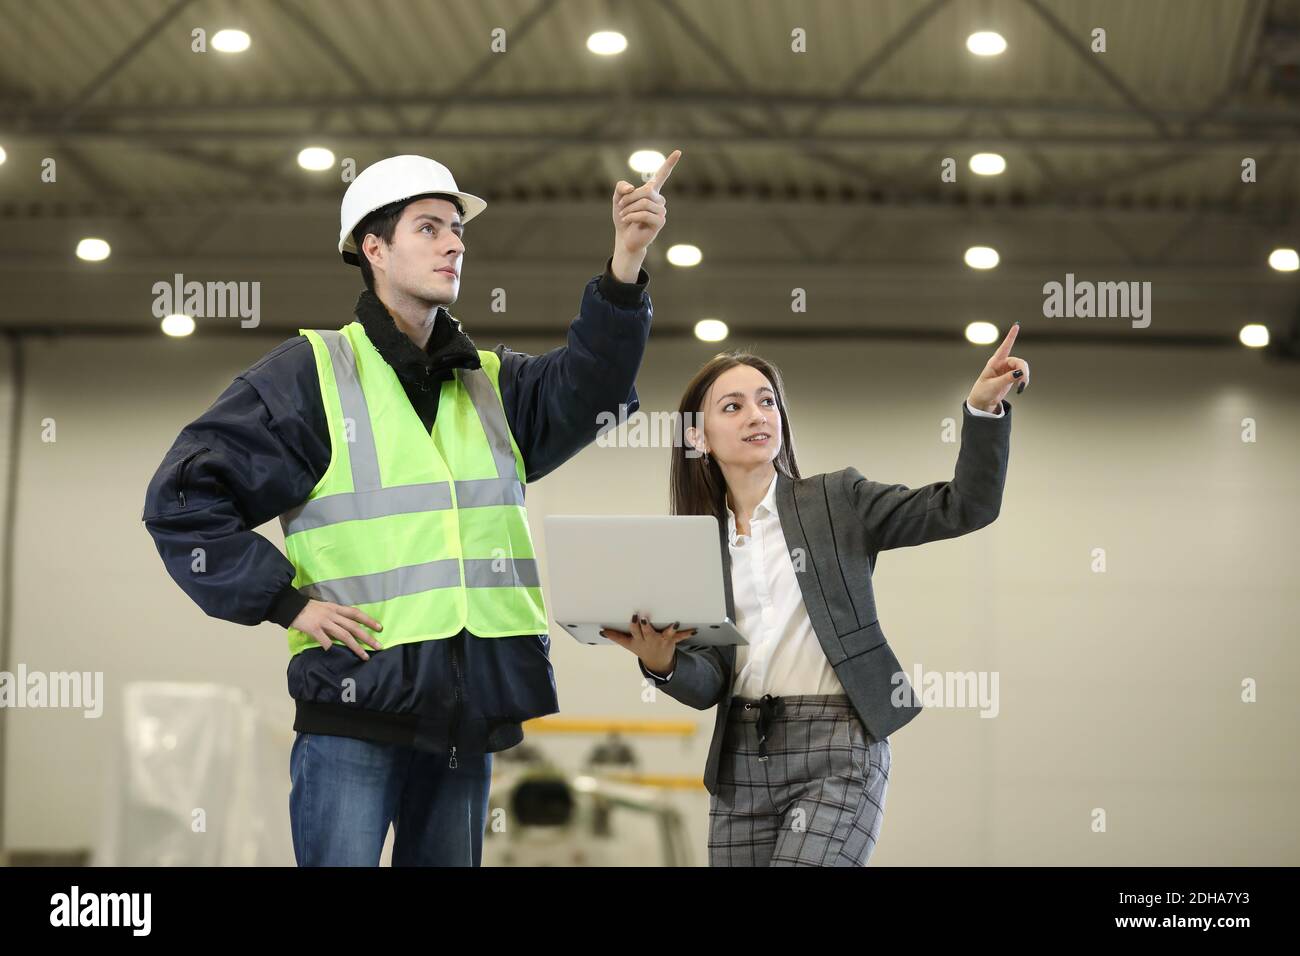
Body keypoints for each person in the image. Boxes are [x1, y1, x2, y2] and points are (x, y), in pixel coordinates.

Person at [142, 149, 681, 866]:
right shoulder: (312, 375)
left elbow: (594, 387)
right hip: (351, 715)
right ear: (374, 247)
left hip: (466, 717)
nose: (455, 243)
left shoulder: (491, 385)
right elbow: (183, 499)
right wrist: (286, 602)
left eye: (458, 229)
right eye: (430, 228)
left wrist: (625, 264)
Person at [601, 325, 1026, 865]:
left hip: (840, 746)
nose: (757, 415)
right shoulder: (693, 546)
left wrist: (983, 411)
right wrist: (662, 663)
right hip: (740, 758)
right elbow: (709, 681)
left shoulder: (837, 500)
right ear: (697, 438)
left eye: (767, 401)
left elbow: (964, 506)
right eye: (732, 407)